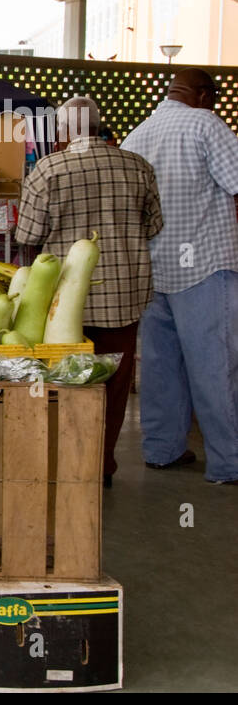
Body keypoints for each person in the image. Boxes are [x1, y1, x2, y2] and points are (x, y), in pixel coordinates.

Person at [16, 96, 163, 488]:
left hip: (62, 302)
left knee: (61, 380)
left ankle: (61, 462)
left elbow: (27, 236)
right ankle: (101, 467)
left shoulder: (49, 169)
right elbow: (153, 227)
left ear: (63, 131)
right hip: (122, 296)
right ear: (99, 126)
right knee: (113, 383)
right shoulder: (138, 166)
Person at [122, 68, 238, 486]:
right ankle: (229, 462)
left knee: (159, 365)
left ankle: (162, 450)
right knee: (216, 364)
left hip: (153, 268)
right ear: (205, 95)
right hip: (205, 264)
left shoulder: (138, 134)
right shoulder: (206, 124)